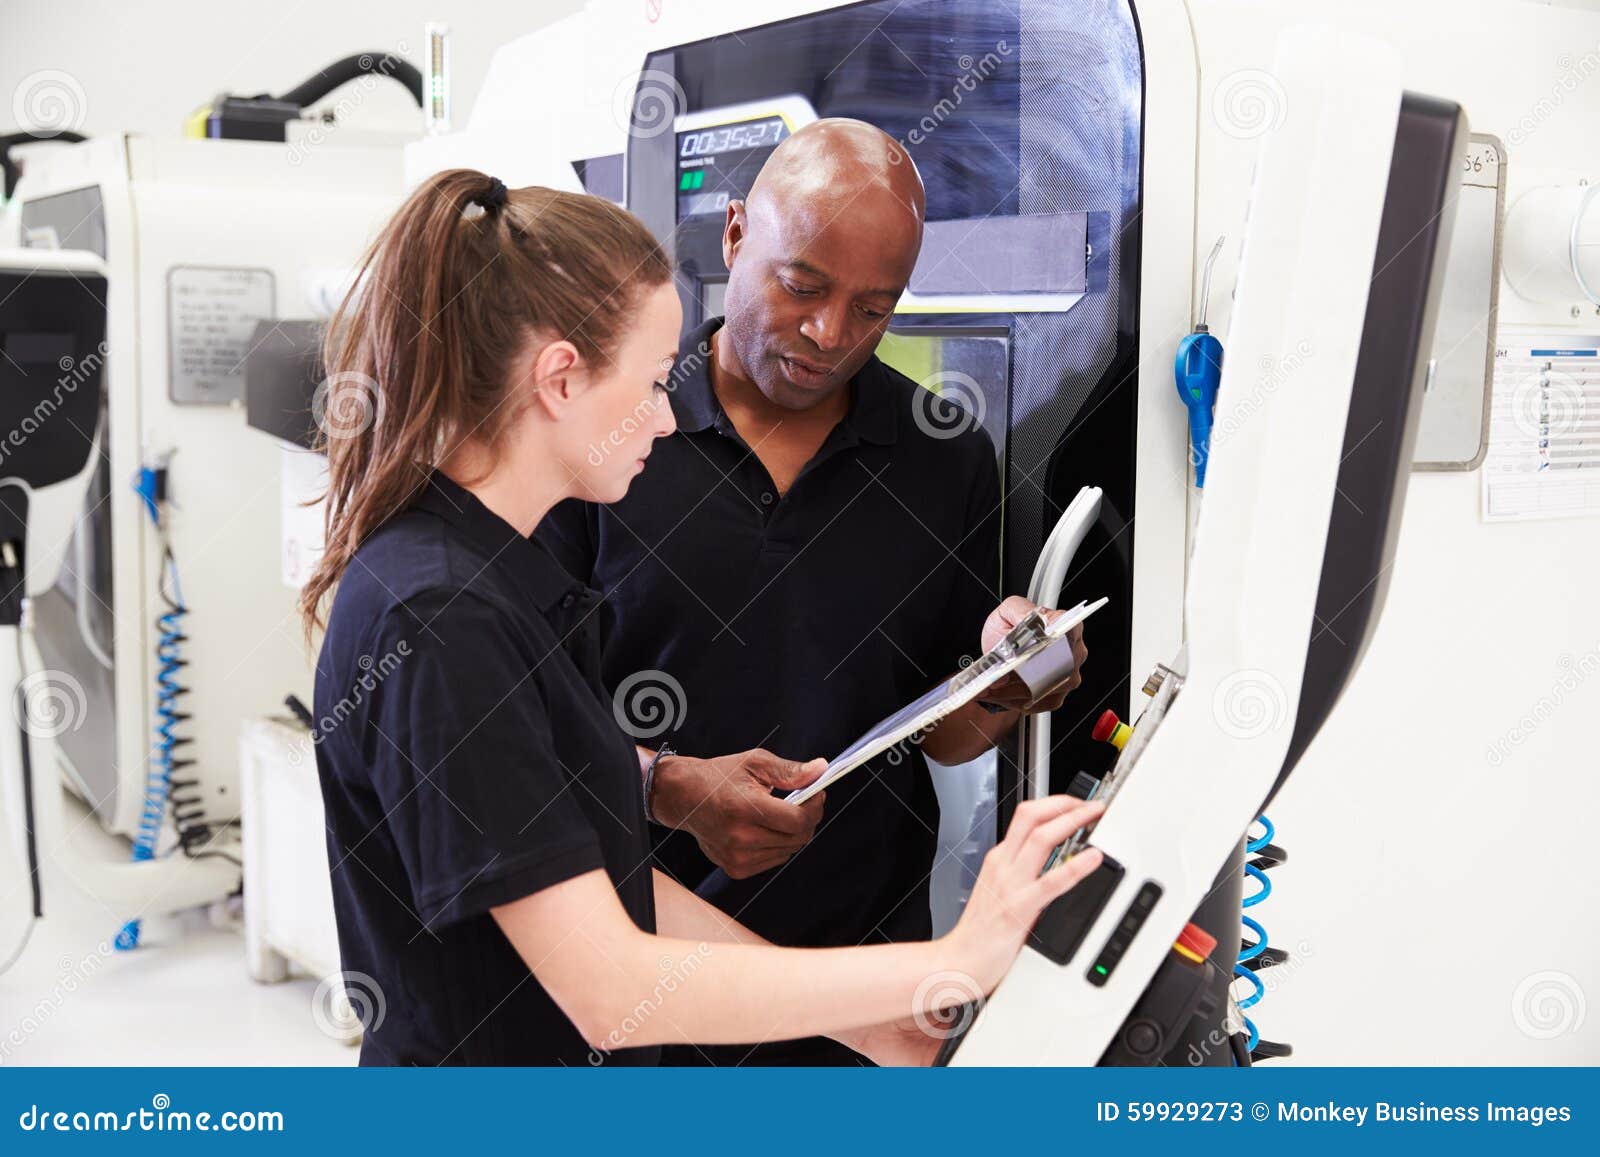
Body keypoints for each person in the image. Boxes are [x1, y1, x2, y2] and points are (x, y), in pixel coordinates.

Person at [299, 168, 1105, 1066]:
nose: (662, 420)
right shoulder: (444, 614)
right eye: (650, 385)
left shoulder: (500, 577)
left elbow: (601, 872)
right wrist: (955, 957)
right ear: (561, 381)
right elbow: (610, 987)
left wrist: (875, 1019)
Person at [537, 119, 1089, 1065]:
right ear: (737, 234)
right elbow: (520, 721)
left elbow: (944, 729)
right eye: (802, 286)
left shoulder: (940, 455)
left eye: (875, 309)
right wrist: (672, 788)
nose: (830, 335)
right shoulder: (614, 432)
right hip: (638, 975)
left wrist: (1011, 675)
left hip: (864, 982)